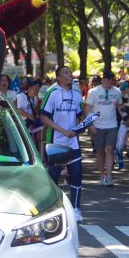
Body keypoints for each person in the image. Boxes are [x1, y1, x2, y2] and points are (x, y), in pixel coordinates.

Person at [40, 65, 84, 222]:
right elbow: (44, 117)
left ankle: (76, 208)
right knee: (53, 178)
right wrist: (62, 131)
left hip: (73, 142)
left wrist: (83, 126)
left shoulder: (77, 93)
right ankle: (51, 209)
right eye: (65, 73)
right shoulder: (52, 93)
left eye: (70, 72)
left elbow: (80, 115)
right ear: (58, 77)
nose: (69, 74)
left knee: (77, 176)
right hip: (56, 141)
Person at [83, 70, 123, 187]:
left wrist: (126, 118)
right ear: (103, 79)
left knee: (109, 149)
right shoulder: (93, 92)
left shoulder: (117, 91)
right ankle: (102, 175)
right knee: (100, 151)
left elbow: (120, 106)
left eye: (113, 80)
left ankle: (109, 176)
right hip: (97, 126)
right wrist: (90, 125)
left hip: (112, 125)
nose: (111, 82)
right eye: (109, 80)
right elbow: (87, 110)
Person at [15, 78, 44, 150]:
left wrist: (38, 106)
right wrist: (29, 116)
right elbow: (18, 110)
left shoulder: (35, 99)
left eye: (38, 89)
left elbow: (35, 112)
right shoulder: (21, 96)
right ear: (29, 88)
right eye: (35, 88)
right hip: (23, 125)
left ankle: (41, 155)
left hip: (31, 126)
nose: (37, 90)